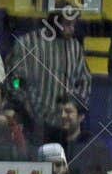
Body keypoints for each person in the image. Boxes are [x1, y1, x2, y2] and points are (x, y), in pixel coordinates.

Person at [10, 9, 92, 138]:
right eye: (67, 24)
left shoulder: (75, 47)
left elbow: (85, 81)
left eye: (73, 25)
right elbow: (15, 80)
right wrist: (23, 101)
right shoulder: (27, 43)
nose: (72, 29)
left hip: (65, 124)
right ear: (55, 23)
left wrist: (75, 105)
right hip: (32, 120)